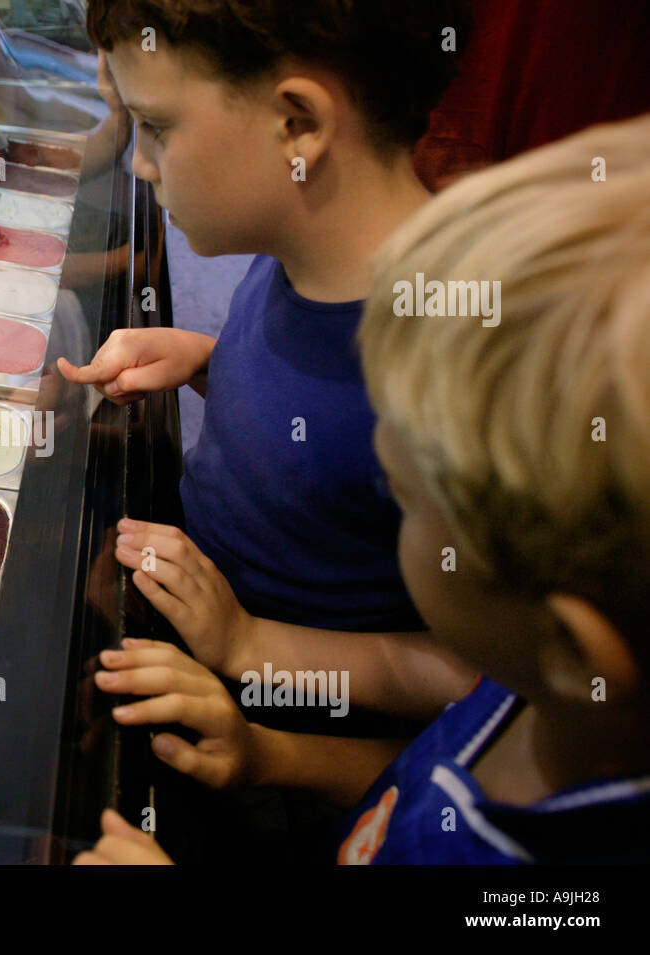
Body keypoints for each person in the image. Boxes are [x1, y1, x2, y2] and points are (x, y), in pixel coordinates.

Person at [75, 113, 650, 864]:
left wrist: (256, 655)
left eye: (406, 504)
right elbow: (420, 777)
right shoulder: (541, 697)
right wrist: (268, 751)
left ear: (574, 648)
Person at [61, 0, 472, 654]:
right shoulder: (296, 247)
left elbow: (478, 677)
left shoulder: (455, 372)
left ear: (298, 125)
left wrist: (251, 653)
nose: (140, 162)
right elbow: (315, 428)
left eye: (157, 127)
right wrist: (206, 363)